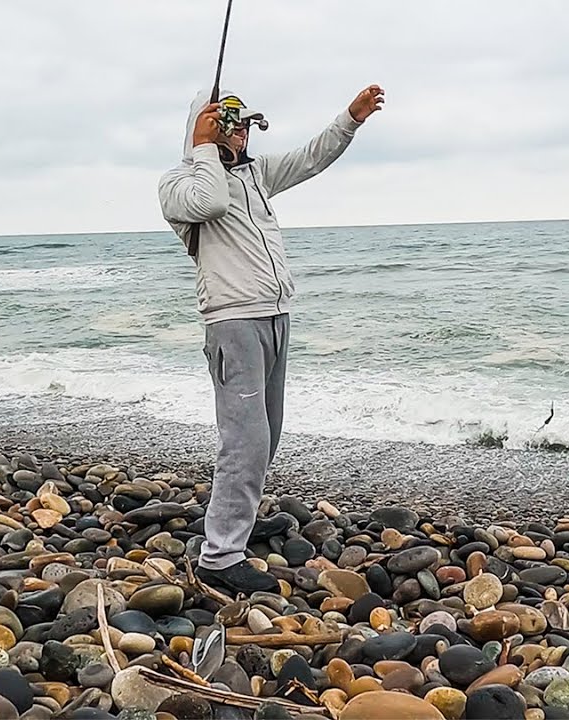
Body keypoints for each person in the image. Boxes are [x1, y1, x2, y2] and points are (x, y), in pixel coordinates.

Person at [157, 84, 384, 595]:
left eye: (242, 125)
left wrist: (350, 118)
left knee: (269, 431)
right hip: (232, 321)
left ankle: (236, 523)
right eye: (227, 124)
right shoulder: (179, 184)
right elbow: (210, 201)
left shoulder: (254, 175)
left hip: (276, 315)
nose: (239, 133)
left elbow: (310, 159)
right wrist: (201, 147)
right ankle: (218, 556)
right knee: (245, 440)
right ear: (205, 129)